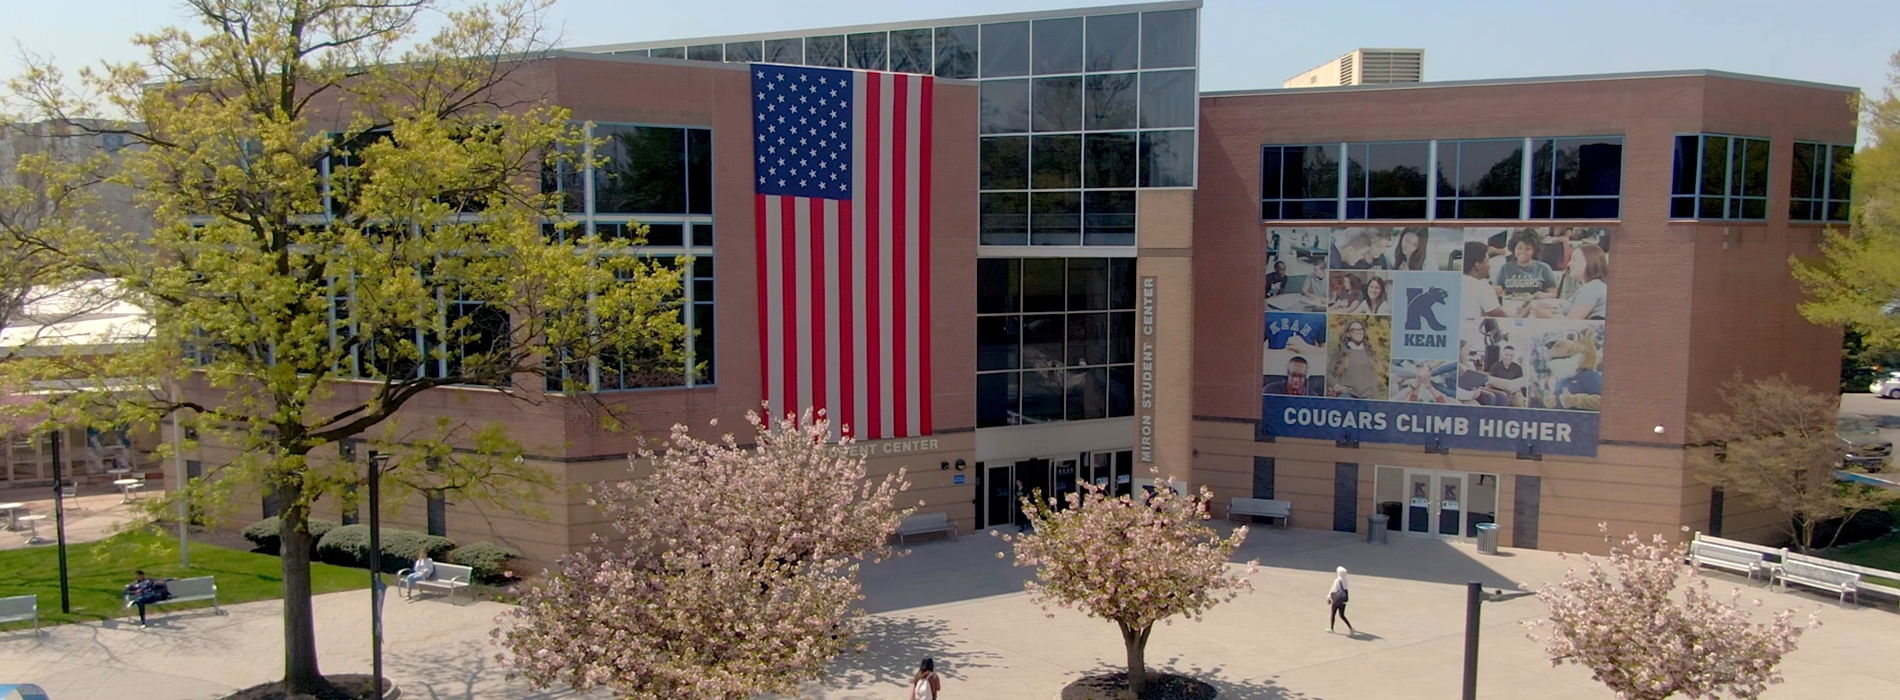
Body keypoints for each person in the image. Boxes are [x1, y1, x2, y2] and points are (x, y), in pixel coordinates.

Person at [1541, 244, 1607, 320]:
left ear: (1590, 261)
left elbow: (1572, 323)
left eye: (1574, 259)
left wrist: (1547, 315)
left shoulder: (1591, 289)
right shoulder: (1595, 286)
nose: (1569, 264)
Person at [1492, 229, 1559, 301]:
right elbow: (1498, 290)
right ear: (1513, 248)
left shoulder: (1544, 268)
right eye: (1519, 248)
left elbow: (1554, 293)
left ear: (1534, 250)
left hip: (1535, 306)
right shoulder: (1505, 268)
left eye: (1528, 249)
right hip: (1510, 305)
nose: (1523, 252)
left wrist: (1545, 295)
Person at [1328, 320, 1380, 399]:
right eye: (1354, 330)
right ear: (1348, 334)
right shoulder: (1340, 352)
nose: (1358, 332)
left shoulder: (1369, 352)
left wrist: (1376, 399)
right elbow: (1328, 373)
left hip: (1367, 397)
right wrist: (1337, 387)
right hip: (1347, 396)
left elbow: (1373, 379)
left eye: (1361, 329)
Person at [1460, 242, 1507, 318]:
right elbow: (1503, 318)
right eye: (1487, 261)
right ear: (1478, 265)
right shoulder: (1483, 287)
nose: (1489, 265)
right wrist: (1526, 310)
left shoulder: (1456, 283)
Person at [1326, 566, 1354, 635]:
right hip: (1343, 600)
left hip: (1337, 599)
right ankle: (1350, 628)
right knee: (1342, 615)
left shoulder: (1337, 580)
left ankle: (1331, 628)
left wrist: (1329, 597)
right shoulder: (1345, 580)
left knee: (1333, 614)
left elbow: (1333, 589)